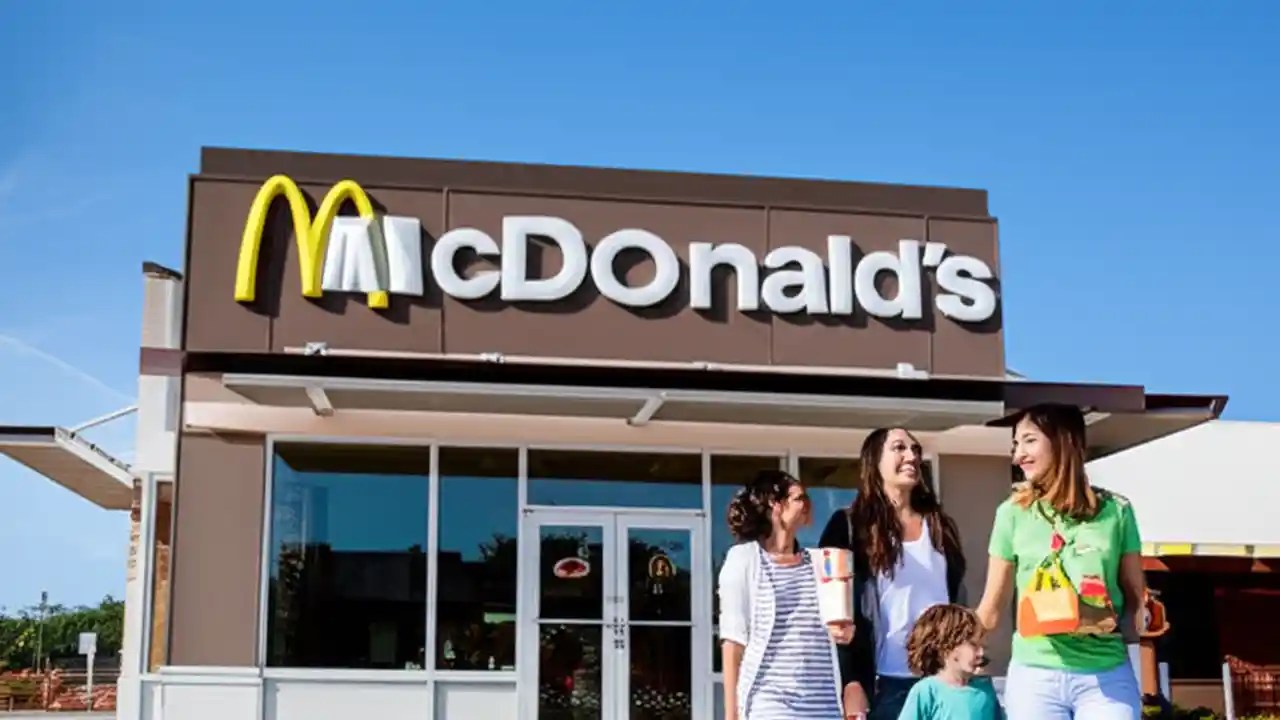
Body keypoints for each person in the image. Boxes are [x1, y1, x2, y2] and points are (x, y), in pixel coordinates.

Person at [975, 403, 1145, 719]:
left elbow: (1137, 601)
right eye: (1015, 445)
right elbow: (991, 609)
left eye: (1028, 441)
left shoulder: (1117, 512)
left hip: (1105, 676)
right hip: (1035, 677)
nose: (1018, 456)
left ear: (1063, 441)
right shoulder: (1011, 513)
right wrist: (950, 650)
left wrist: (1134, 617)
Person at [818, 428, 967, 720]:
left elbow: (958, 599)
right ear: (874, 461)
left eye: (915, 450)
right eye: (899, 448)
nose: (911, 456)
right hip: (884, 684)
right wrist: (851, 681)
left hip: (944, 680)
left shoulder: (940, 526)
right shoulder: (848, 527)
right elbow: (835, 615)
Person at [719, 469, 853, 720]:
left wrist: (845, 632)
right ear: (775, 504)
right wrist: (731, 715)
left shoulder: (819, 562)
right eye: (800, 498)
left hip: (824, 704)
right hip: (771, 702)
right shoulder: (744, 560)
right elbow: (733, 642)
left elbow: (841, 627)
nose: (808, 505)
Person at [897, 604, 1004, 720]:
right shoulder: (926, 692)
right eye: (973, 645)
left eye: (983, 646)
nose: (981, 653)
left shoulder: (985, 690)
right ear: (947, 647)